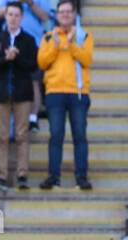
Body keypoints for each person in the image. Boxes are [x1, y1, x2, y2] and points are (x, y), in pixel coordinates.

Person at [37, 0, 93, 190]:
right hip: (54, 92)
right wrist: (56, 45)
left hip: (78, 92)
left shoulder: (83, 36)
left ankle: (81, 177)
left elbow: (87, 59)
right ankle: (54, 177)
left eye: (69, 12)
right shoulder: (48, 37)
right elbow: (42, 62)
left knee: (80, 136)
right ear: (57, 15)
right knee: (56, 136)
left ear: (74, 14)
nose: (65, 15)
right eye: (62, 12)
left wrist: (71, 45)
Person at [0, 0, 38, 191]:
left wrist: (16, 58)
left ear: (21, 18)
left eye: (17, 15)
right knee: (1, 136)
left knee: (21, 135)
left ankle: (22, 174)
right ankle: (1, 176)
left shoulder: (29, 40)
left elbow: (33, 66)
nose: (13, 18)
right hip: (1, 92)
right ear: (5, 16)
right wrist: (5, 59)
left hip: (22, 92)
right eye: (10, 15)